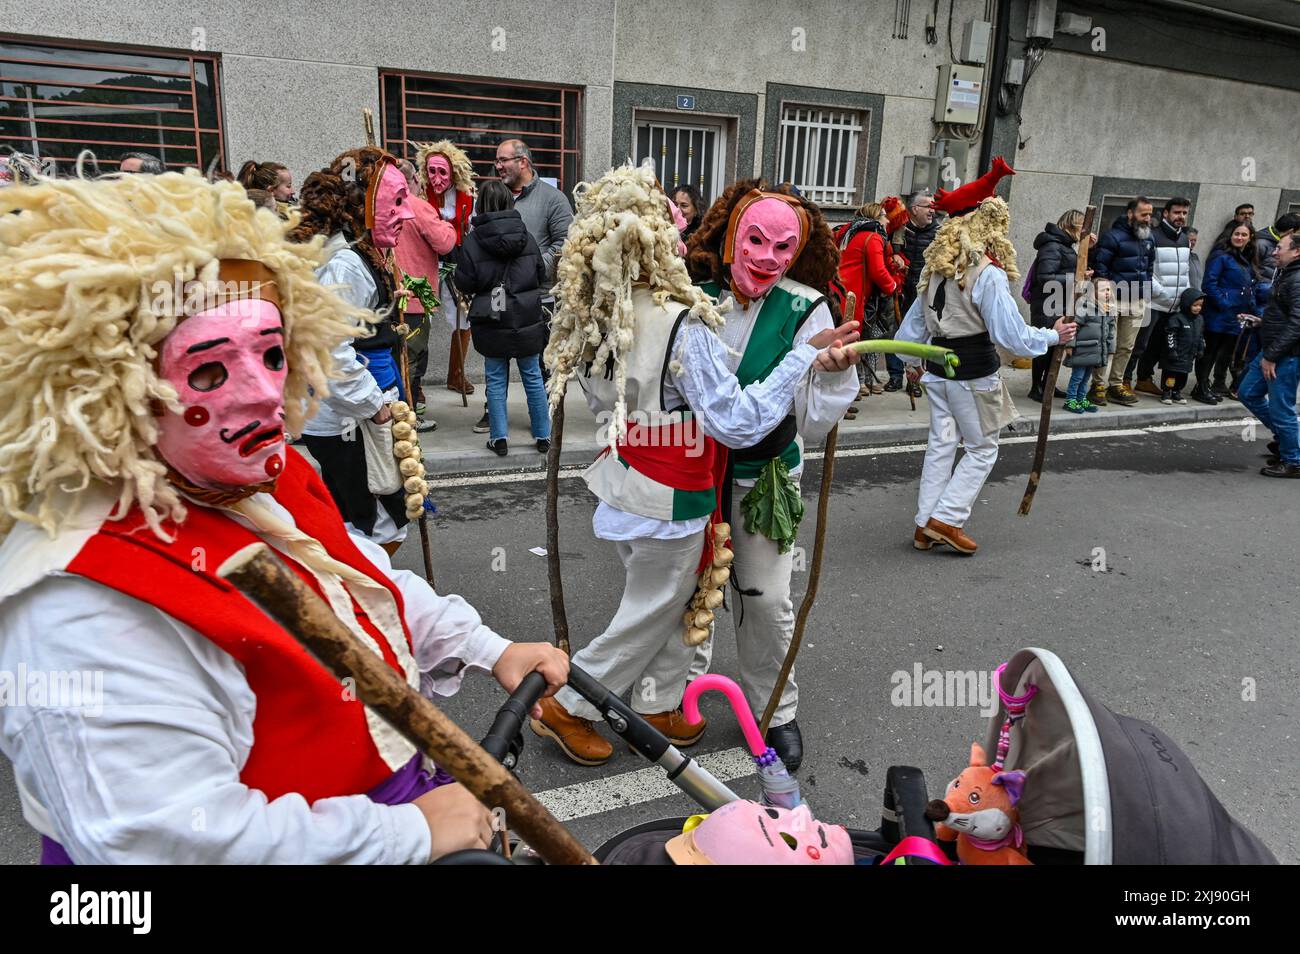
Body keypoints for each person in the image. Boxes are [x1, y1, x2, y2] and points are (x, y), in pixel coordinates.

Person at [0, 168, 570, 863]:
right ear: (105, 384)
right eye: (208, 372)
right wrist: (408, 834)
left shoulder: (249, 480)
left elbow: (358, 585)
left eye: (271, 355)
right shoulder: (79, 597)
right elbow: (169, 842)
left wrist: (489, 649)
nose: (262, 396)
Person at [530, 166, 860, 772]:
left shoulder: (809, 308)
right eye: (755, 240)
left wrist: (832, 372)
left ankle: (773, 711)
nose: (766, 258)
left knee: (762, 599)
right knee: (686, 597)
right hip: (691, 477)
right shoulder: (689, 296)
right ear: (730, 236)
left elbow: (813, 420)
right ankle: (660, 701)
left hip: (761, 479)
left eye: (783, 246)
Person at [896, 195, 1075, 554]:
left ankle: (924, 525)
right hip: (974, 377)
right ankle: (945, 519)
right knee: (981, 449)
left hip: (938, 373)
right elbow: (1012, 336)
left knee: (941, 447)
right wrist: (1054, 335)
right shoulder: (987, 273)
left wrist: (910, 362)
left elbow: (911, 327)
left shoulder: (937, 268)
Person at [291, 147, 415, 552]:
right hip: (350, 418)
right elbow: (327, 348)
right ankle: (371, 594)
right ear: (363, 206)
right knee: (377, 523)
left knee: (368, 515)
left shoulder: (361, 254)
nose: (408, 213)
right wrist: (373, 406)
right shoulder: (345, 263)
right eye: (396, 202)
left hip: (357, 410)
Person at [453, 180, 551, 457]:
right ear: (510, 202)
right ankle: (543, 435)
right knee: (532, 375)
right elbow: (540, 274)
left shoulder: (473, 240)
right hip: (526, 316)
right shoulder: (526, 235)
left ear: (481, 204)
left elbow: (466, 282)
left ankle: (499, 438)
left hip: (492, 319)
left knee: (495, 379)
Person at [394, 157, 456, 433]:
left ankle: (400, 412)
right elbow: (444, 243)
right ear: (415, 180)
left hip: (391, 295)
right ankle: (408, 418)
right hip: (416, 296)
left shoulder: (383, 206)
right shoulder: (417, 206)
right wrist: (450, 226)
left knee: (397, 357)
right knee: (412, 360)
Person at [413, 140, 478, 403]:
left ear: (454, 172)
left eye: (442, 172)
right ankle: (415, 380)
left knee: (464, 316)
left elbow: (472, 230)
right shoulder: (418, 194)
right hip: (423, 262)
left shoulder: (469, 195)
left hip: (456, 260)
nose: (436, 178)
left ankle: (456, 373)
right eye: (431, 171)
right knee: (420, 318)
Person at [833, 197, 907, 411]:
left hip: (841, 291)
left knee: (843, 344)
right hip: (852, 296)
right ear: (877, 217)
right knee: (847, 346)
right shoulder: (873, 237)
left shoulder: (851, 232)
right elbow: (878, 270)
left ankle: (844, 399)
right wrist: (893, 286)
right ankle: (840, 401)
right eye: (884, 217)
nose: (887, 222)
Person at [1237, 232, 1300, 477]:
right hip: (1273, 348)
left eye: (1280, 248)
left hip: (1285, 355)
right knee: (1248, 393)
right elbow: (1286, 317)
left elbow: (1297, 323)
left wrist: (1271, 356)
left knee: (1281, 409)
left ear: (1296, 252)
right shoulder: (1287, 274)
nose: (1274, 251)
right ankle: (1288, 442)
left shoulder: (1296, 280)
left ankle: (1293, 461)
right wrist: (1262, 322)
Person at [1090, 196, 1155, 406]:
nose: (1148, 218)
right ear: (1130, 213)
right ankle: (1098, 385)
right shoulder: (1112, 237)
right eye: (1143, 214)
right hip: (1113, 299)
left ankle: (1115, 385)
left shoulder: (1149, 238)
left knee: (1127, 346)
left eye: (1150, 214)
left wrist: (1145, 291)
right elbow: (1100, 269)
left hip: (1136, 300)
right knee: (1107, 344)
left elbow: (1150, 268)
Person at [1195, 223, 1267, 403]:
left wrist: (1251, 310)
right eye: (1237, 234)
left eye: (1244, 235)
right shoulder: (1221, 256)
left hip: (1237, 316)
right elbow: (1209, 284)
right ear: (1230, 235)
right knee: (1210, 351)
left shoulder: (1247, 258)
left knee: (1224, 352)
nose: (1240, 238)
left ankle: (1208, 385)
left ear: (1250, 238)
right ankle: (1201, 386)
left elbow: (1248, 287)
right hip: (1219, 313)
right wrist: (1224, 304)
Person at [1133, 197, 1193, 397]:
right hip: (1153, 302)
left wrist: (1186, 295)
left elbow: (1184, 273)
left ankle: (1144, 379)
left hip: (1174, 305)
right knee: (1139, 344)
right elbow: (1145, 270)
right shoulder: (1152, 236)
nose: (1181, 217)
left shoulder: (1185, 239)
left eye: (1184, 213)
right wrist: (1161, 292)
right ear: (1166, 213)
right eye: (1177, 212)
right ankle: (1123, 381)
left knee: (1158, 346)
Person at [1027, 209, 1085, 402]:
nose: (1084, 230)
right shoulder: (1052, 245)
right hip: (1046, 303)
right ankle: (1036, 388)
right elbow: (1045, 277)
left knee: (1054, 346)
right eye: (1082, 225)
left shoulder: (1065, 245)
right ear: (1071, 225)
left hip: (1057, 302)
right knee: (1044, 346)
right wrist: (1074, 279)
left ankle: (1046, 385)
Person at [892, 190, 939, 395]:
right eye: (928, 206)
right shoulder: (899, 230)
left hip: (924, 292)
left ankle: (914, 381)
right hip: (901, 288)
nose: (932, 210)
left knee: (920, 334)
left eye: (934, 206)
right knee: (897, 330)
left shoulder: (939, 233)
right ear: (915, 209)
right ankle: (895, 377)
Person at [1062, 276, 1116, 414]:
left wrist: (1110, 348)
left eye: (1109, 290)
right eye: (1103, 290)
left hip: (1095, 351)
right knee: (1077, 377)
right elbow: (1075, 326)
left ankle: (1081, 398)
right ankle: (1070, 400)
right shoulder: (1085, 306)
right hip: (1082, 349)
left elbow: (1111, 332)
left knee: (1086, 378)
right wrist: (1069, 344)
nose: (1107, 293)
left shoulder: (1109, 310)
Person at [1157, 288, 1206, 405]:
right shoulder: (1177, 318)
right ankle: (1166, 392)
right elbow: (1170, 334)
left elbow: (1200, 336)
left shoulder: (1199, 320)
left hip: (1188, 356)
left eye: (1200, 305)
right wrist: (1172, 349)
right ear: (1187, 304)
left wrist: (1200, 349)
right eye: (1195, 305)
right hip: (1174, 355)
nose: (1198, 308)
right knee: (1171, 375)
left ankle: (1176, 392)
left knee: (1182, 375)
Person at [1188, 227, 1203, 292]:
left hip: (1198, 295)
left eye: (1195, 240)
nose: (1193, 243)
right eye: (1191, 240)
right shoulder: (1181, 257)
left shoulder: (1195, 256)